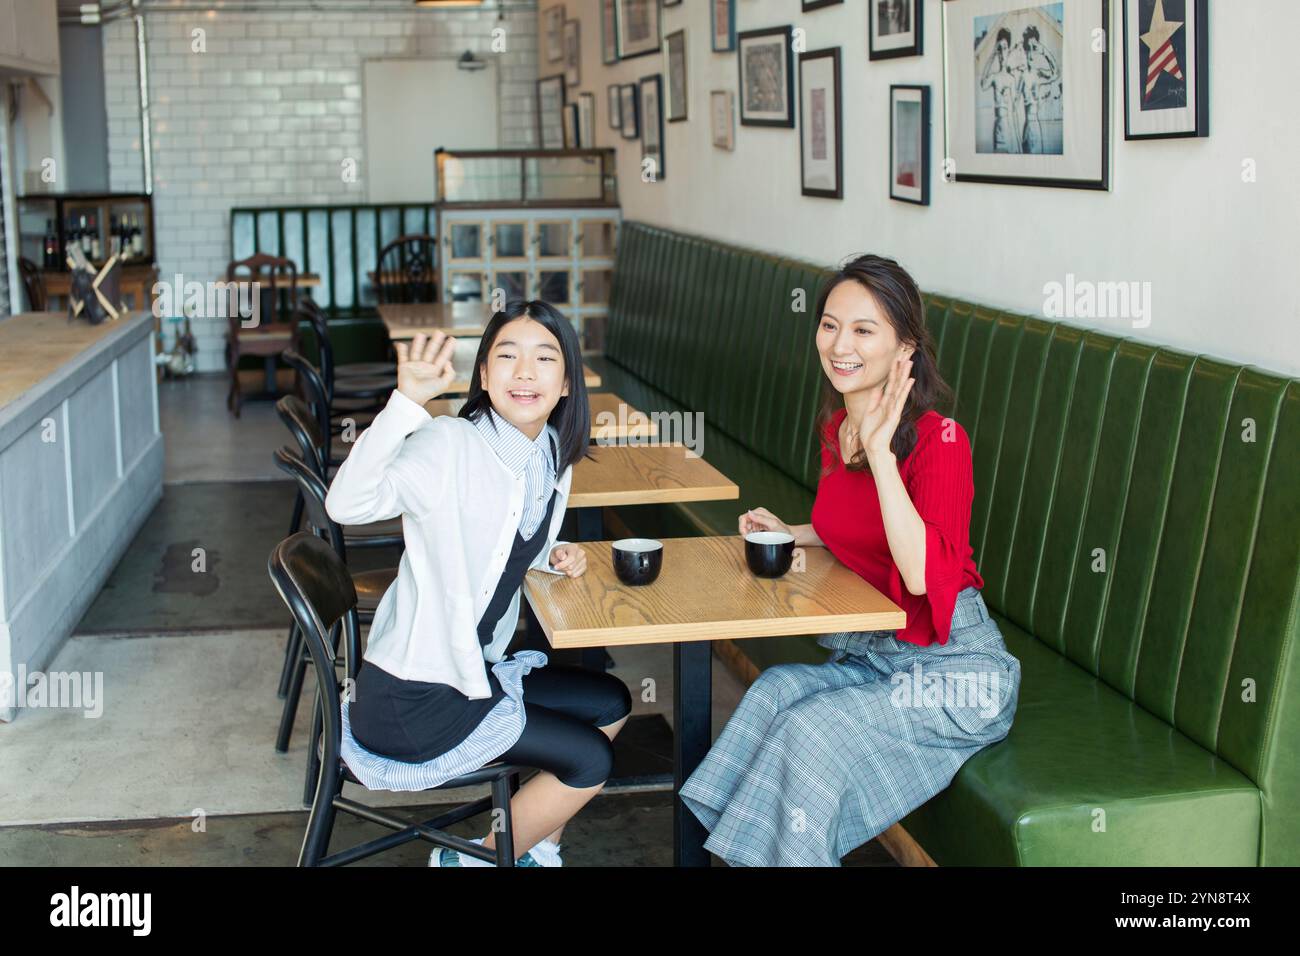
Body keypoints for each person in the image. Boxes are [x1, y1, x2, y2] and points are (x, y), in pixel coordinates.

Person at [678, 255, 1022, 866]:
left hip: (956, 672)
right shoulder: (837, 426)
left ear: (904, 349)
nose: (841, 345)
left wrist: (884, 452)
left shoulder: (942, 441)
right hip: (875, 654)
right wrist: (798, 532)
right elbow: (863, 528)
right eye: (830, 325)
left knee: (811, 734)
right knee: (774, 694)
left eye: (865, 330)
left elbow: (919, 572)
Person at [325, 300, 632, 867]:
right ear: (484, 375)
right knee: (590, 761)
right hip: (414, 695)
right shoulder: (449, 445)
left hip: (474, 673)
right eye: (507, 357)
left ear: (567, 382)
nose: (524, 372)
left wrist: (549, 556)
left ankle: (530, 849)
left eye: (544, 358)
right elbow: (345, 504)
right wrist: (405, 403)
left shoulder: (549, 456)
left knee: (611, 701)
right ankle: (476, 861)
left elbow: (502, 542)